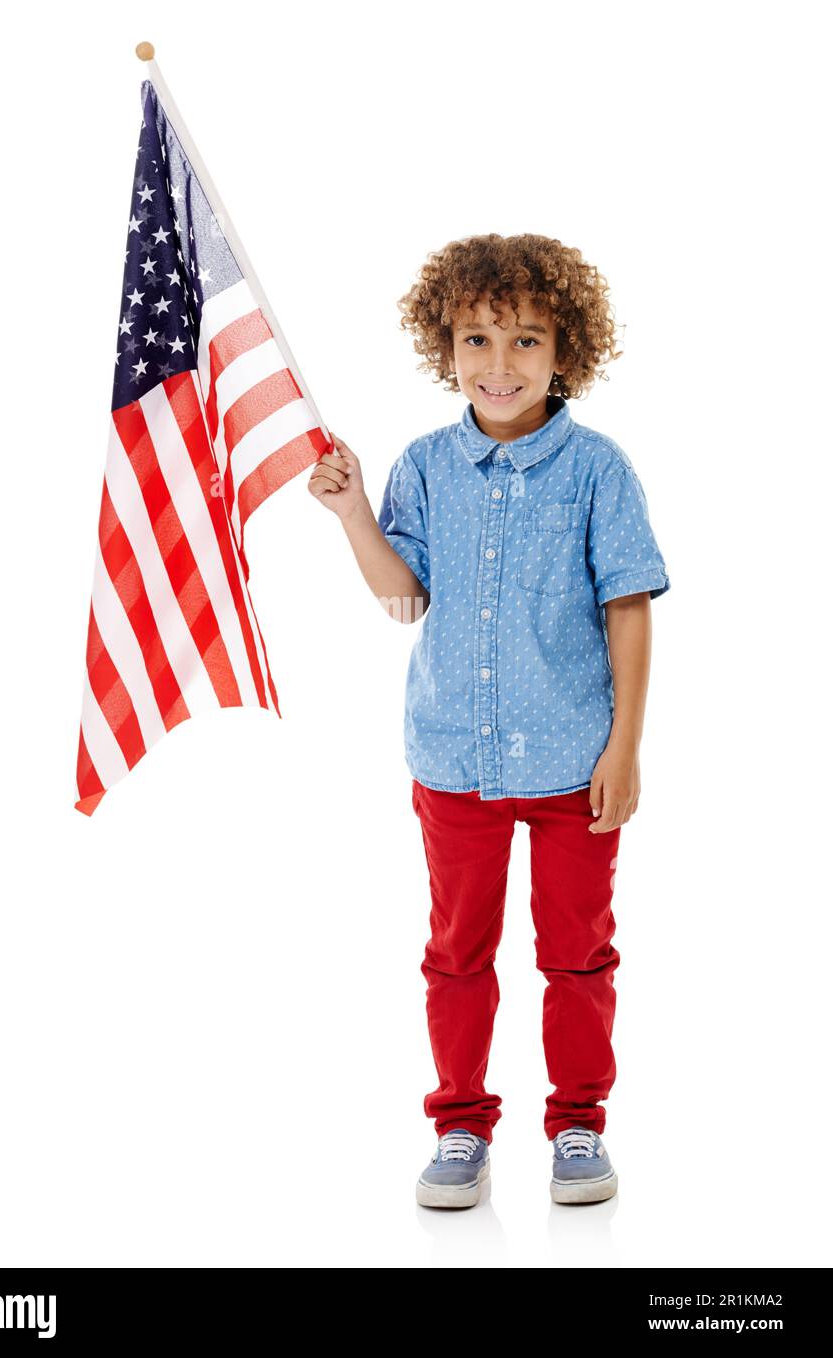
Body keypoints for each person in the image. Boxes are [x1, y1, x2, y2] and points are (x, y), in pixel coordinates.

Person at [307, 232, 670, 1208]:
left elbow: (626, 606)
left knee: (577, 950)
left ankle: (578, 1123)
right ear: (446, 346)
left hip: (571, 761)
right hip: (452, 756)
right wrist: (353, 518)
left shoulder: (596, 469)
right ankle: (460, 1123)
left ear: (565, 353)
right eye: (476, 339)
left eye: (524, 342)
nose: (497, 365)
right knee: (456, 951)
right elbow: (403, 597)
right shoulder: (425, 465)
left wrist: (624, 746)